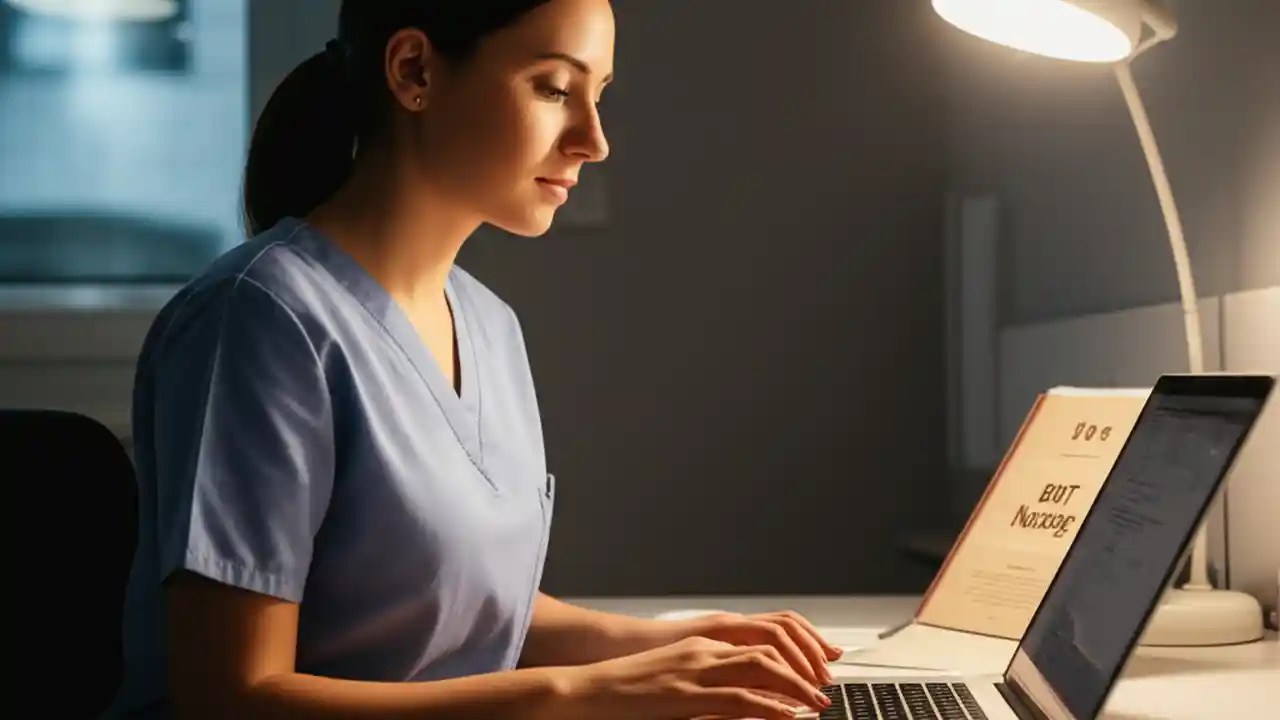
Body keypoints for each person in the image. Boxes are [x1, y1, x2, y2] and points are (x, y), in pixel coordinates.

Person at [106, 1, 842, 718]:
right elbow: (234, 696)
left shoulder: (489, 324)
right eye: (556, 88)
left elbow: (453, 616)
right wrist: (587, 694)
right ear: (414, 69)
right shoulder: (260, 317)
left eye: (599, 96)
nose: (594, 139)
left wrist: (664, 645)